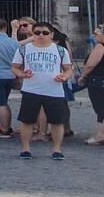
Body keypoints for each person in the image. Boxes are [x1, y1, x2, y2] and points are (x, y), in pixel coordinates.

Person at [10, 21, 73, 160]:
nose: (41, 35)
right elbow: (14, 67)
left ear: (51, 34)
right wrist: (21, 74)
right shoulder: (24, 49)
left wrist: (64, 77)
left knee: (57, 122)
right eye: (37, 32)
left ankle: (57, 149)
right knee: (27, 121)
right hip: (31, 89)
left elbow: (69, 69)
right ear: (33, 34)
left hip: (54, 90)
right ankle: (26, 148)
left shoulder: (60, 50)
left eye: (44, 33)